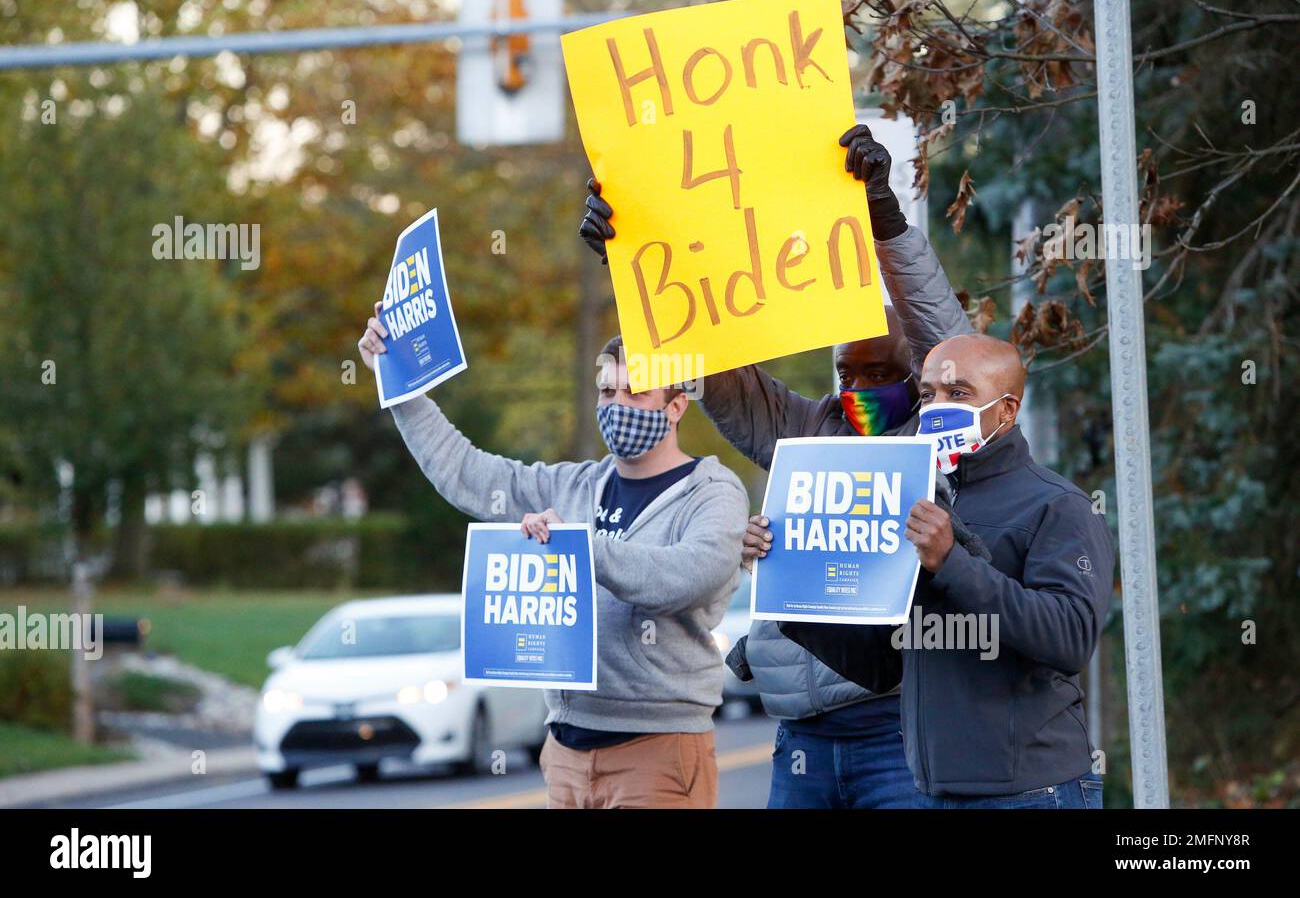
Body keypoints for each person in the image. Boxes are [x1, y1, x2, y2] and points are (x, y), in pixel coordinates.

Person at [578, 124, 976, 808]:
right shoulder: (804, 426)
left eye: (881, 371)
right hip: (798, 736)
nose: (860, 386)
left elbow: (951, 340)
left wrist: (886, 221)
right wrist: (632, 260)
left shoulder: (938, 438)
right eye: (849, 371)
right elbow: (708, 359)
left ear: (918, 375)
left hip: (898, 727)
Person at [356, 322, 748, 808]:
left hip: (657, 749)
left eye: (636, 391)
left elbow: (686, 577)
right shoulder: (572, 485)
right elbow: (468, 474)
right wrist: (400, 387)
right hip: (564, 750)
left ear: (675, 406)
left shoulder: (713, 492)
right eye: (607, 390)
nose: (616, 404)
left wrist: (578, 546)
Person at [781, 333, 1115, 808]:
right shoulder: (916, 499)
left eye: (958, 393)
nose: (937, 406)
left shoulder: (1058, 505)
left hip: (1033, 792)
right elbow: (882, 664)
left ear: (1007, 409)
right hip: (931, 792)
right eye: (928, 394)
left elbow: (1069, 638)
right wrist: (786, 591)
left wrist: (953, 563)